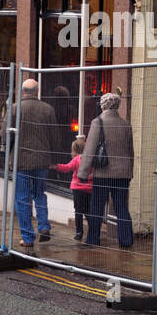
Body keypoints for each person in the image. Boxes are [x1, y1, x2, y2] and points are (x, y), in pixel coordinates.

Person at [78, 92, 135, 247]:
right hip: (123, 173)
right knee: (121, 207)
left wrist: (82, 173)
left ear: (103, 105)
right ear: (117, 106)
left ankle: (93, 239)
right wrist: (130, 171)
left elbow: (89, 149)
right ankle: (126, 240)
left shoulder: (98, 122)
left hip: (103, 172)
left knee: (97, 206)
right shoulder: (125, 124)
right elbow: (130, 151)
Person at [8, 78, 58, 247]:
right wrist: (54, 159)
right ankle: (44, 226)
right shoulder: (48, 109)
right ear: (36, 91)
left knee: (22, 199)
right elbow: (54, 136)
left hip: (21, 161)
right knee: (39, 194)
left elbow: (6, 134)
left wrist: (5, 154)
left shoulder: (15, 108)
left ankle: (28, 237)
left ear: (23, 92)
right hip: (42, 160)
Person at [53, 136, 93, 241]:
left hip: (78, 189)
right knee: (88, 210)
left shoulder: (76, 160)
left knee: (78, 211)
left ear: (74, 149)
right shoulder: (90, 159)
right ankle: (93, 230)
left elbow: (66, 168)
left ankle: (79, 232)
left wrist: (56, 166)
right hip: (89, 189)